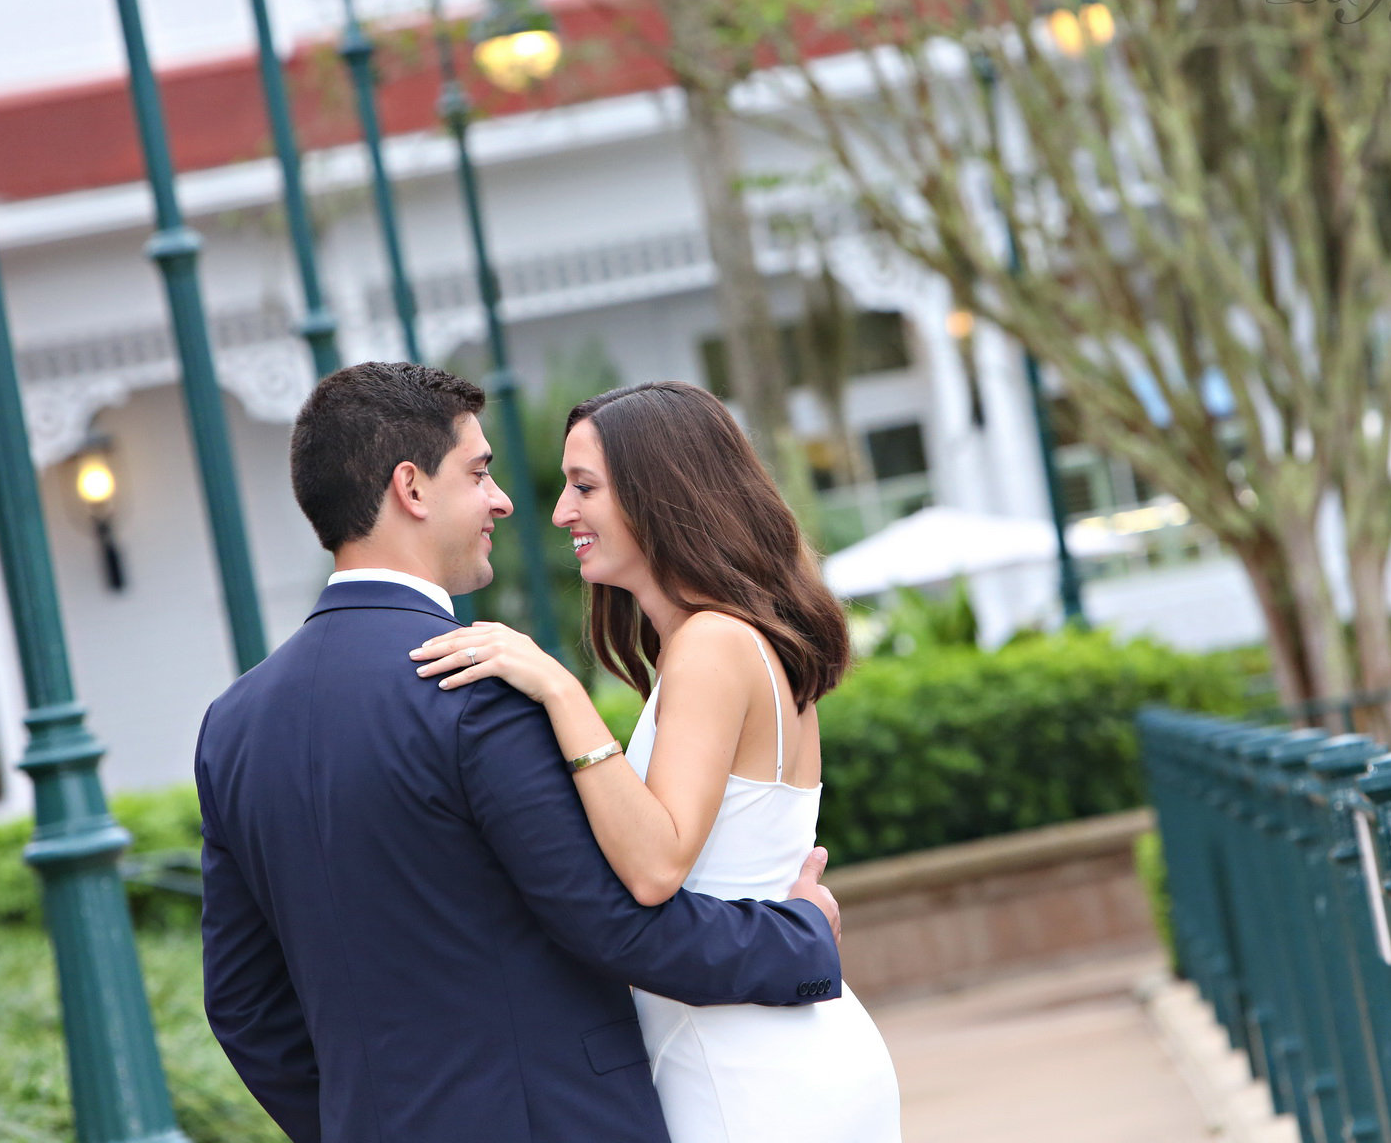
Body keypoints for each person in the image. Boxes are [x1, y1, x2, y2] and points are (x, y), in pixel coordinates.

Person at [195, 363, 844, 1143]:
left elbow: (243, 1006)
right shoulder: (478, 688)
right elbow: (612, 923)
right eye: (479, 474)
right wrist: (798, 935)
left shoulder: (231, 726)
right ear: (411, 487)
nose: (505, 500)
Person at [413, 380, 902, 1143]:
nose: (561, 513)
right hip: (762, 1043)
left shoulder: (713, 642)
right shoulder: (720, 640)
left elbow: (655, 866)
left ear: (660, 493)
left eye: (585, 488)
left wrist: (558, 690)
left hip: (746, 1071)